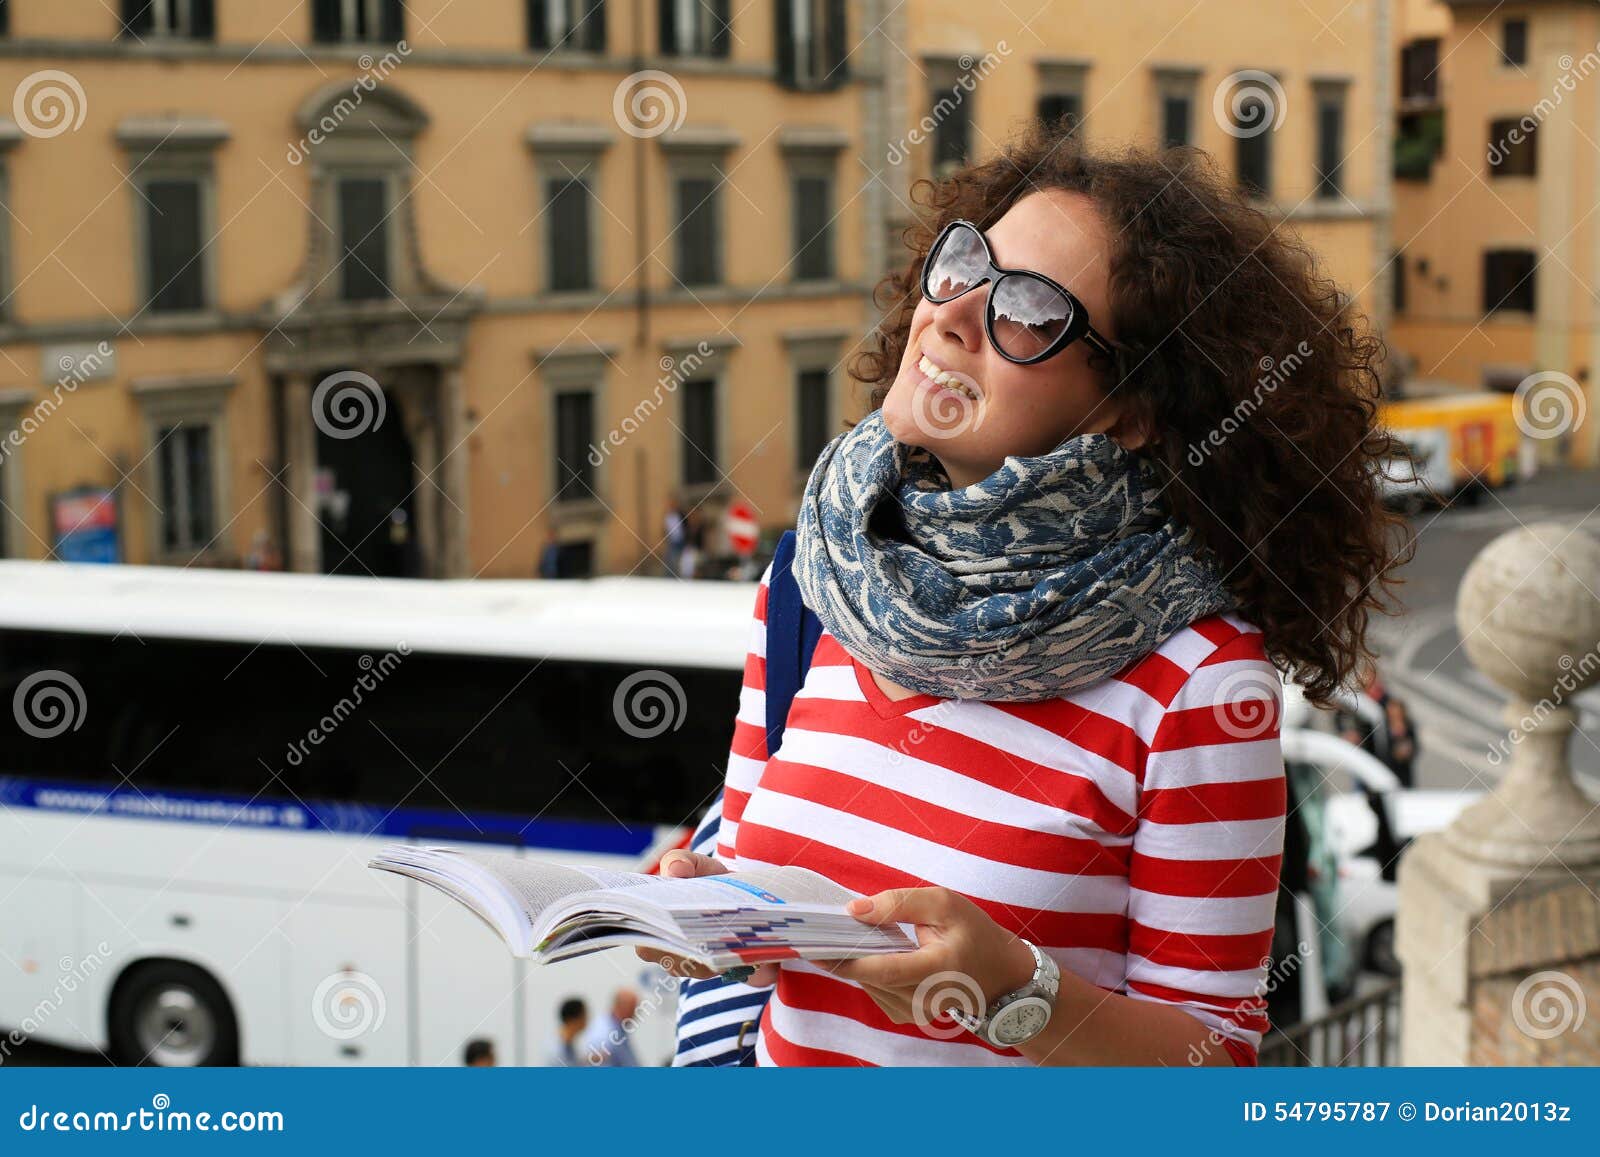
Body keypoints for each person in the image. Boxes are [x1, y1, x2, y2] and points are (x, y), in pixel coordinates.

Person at [638, 125, 1406, 1066]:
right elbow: (756, 896)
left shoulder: (1198, 687)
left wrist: (1014, 990)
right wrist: (702, 912)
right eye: (963, 265)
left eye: (1032, 314)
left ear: (1128, 410)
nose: (955, 315)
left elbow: (1212, 1068)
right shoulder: (813, 585)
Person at [579, 989, 641, 1067]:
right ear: (624, 1007)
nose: (635, 1014)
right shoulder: (603, 1035)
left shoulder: (619, 1030)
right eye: (633, 1009)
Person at [544, 997, 590, 1067]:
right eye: (584, 1016)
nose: (587, 1019)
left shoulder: (569, 1043)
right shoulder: (555, 1048)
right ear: (574, 1019)